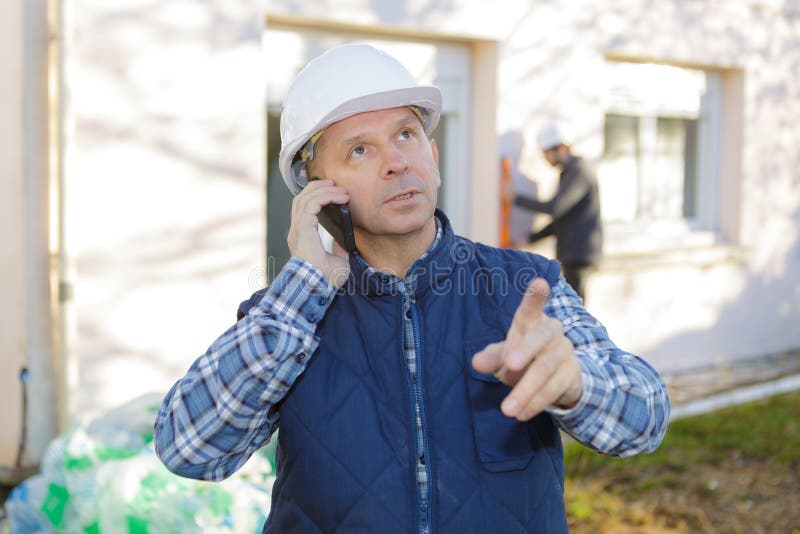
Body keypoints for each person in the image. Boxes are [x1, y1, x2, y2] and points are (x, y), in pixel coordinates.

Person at [154, 44, 669, 533]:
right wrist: (301, 291)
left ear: (433, 157)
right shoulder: (285, 317)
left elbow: (646, 418)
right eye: (360, 150)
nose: (396, 162)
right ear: (318, 192)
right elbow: (188, 449)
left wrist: (578, 384)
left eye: (405, 135)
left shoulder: (525, 287)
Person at [511, 124, 602, 301]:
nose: (546, 159)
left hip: (579, 256)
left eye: (547, 154)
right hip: (573, 255)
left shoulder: (579, 171)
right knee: (570, 307)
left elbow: (555, 208)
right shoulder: (568, 173)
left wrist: (516, 199)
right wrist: (530, 238)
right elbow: (561, 218)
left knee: (574, 310)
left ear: (560, 148)